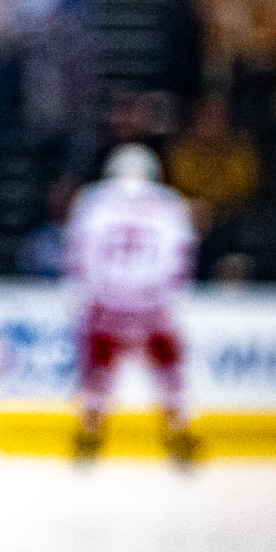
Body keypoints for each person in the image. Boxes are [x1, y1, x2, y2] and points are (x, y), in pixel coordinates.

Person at [64, 143, 199, 464]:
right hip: (152, 302)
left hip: (105, 301)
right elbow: (180, 258)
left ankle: (89, 433)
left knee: (97, 369)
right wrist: (168, 296)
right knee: (167, 369)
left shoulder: (91, 202)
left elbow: (77, 253)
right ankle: (178, 432)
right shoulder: (170, 205)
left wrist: (86, 294)